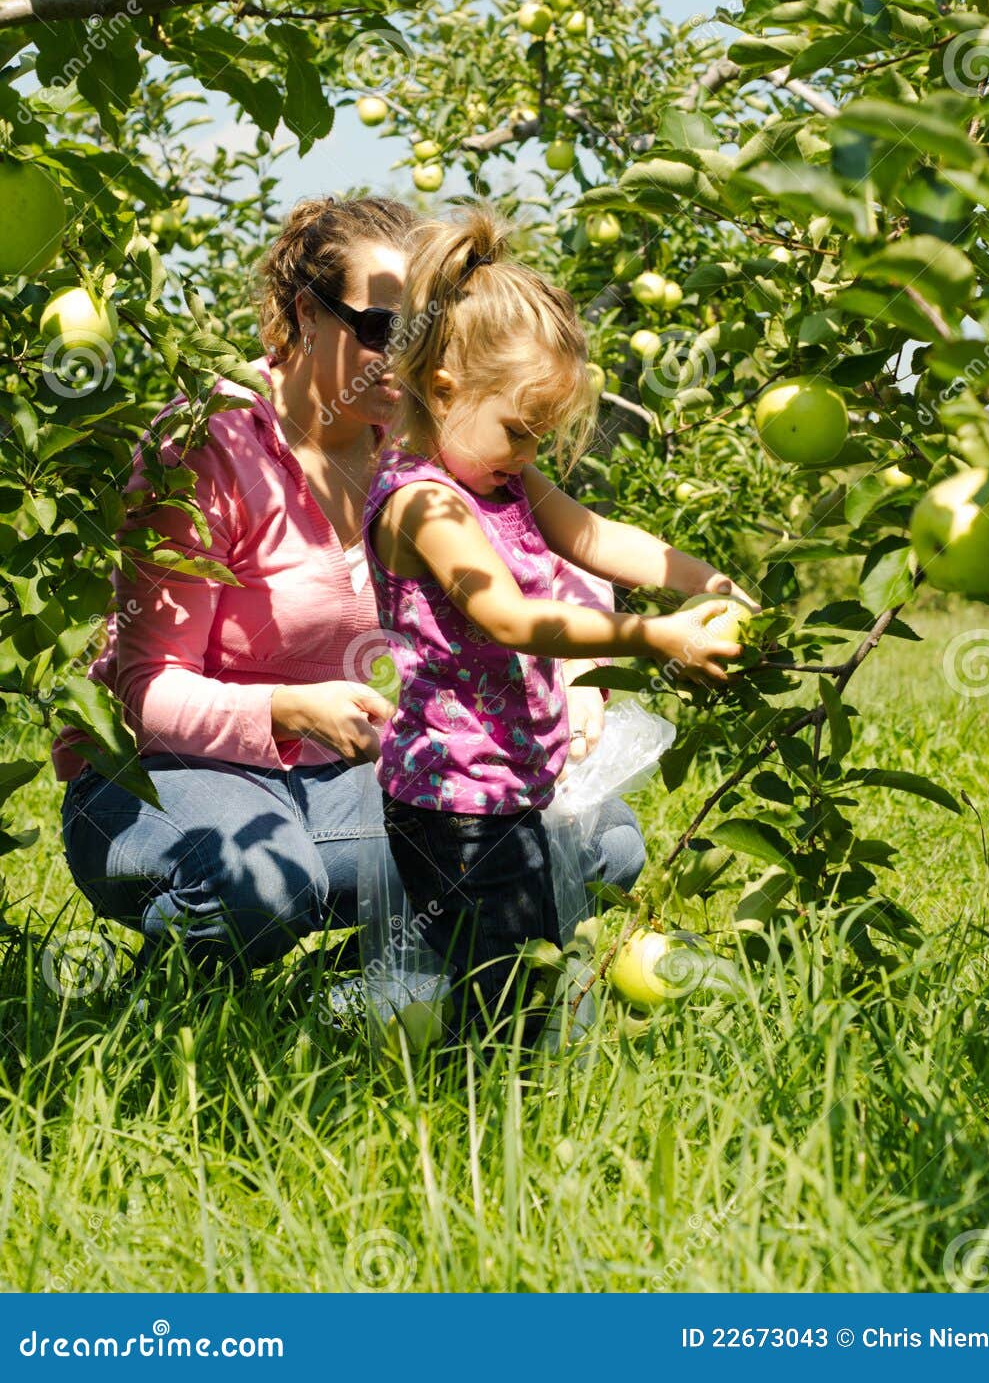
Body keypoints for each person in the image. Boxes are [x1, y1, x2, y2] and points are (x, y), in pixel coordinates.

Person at [53, 195, 645, 980]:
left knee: (599, 844)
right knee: (256, 886)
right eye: (381, 330)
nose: (403, 361)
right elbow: (143, 695)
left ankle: (350, 985)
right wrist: (285, 709)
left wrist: (579, 681)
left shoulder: (427, 442)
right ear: (306, 312)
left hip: (345, 778)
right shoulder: (206, 447)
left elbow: (560, 569)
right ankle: (167, 988)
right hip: (171, 778)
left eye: (426, 336)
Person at [363, 205, 759, 1044]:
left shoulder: (509, 480)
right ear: (443, 391)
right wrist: (655, 638)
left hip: (509, 782)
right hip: (450, 796)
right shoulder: (426, 500)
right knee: (502, 980)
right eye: (518, 428)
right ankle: (468, 1115)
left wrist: (702, 578)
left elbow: (598, 539)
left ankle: (468, 1085)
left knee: (527, 962)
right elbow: (508, 618)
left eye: (540, 435)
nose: (527, 449)